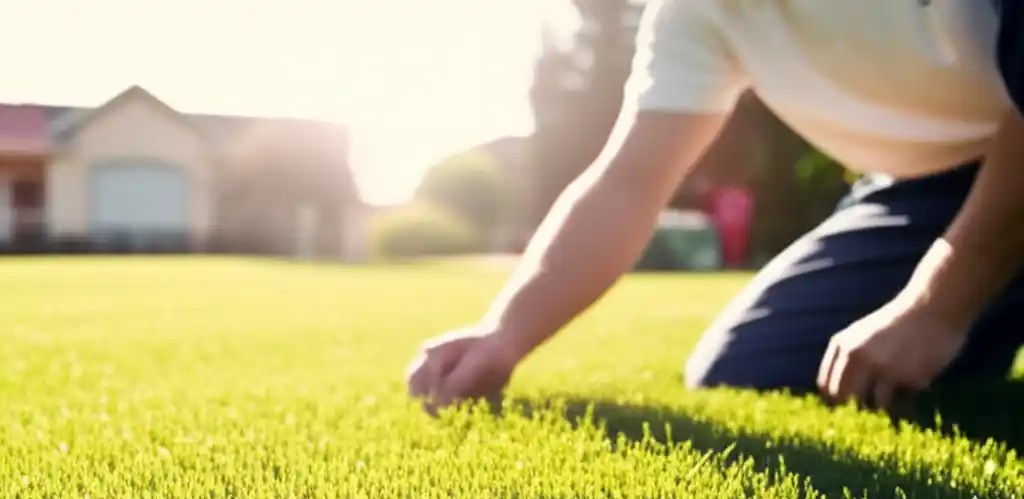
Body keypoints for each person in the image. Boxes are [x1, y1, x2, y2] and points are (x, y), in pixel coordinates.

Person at [407, 0, 1024, 415]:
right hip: (928, 191)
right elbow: (629, 183)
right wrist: (505, 333)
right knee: (756, 365)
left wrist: (936, 307)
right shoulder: (695, 13)